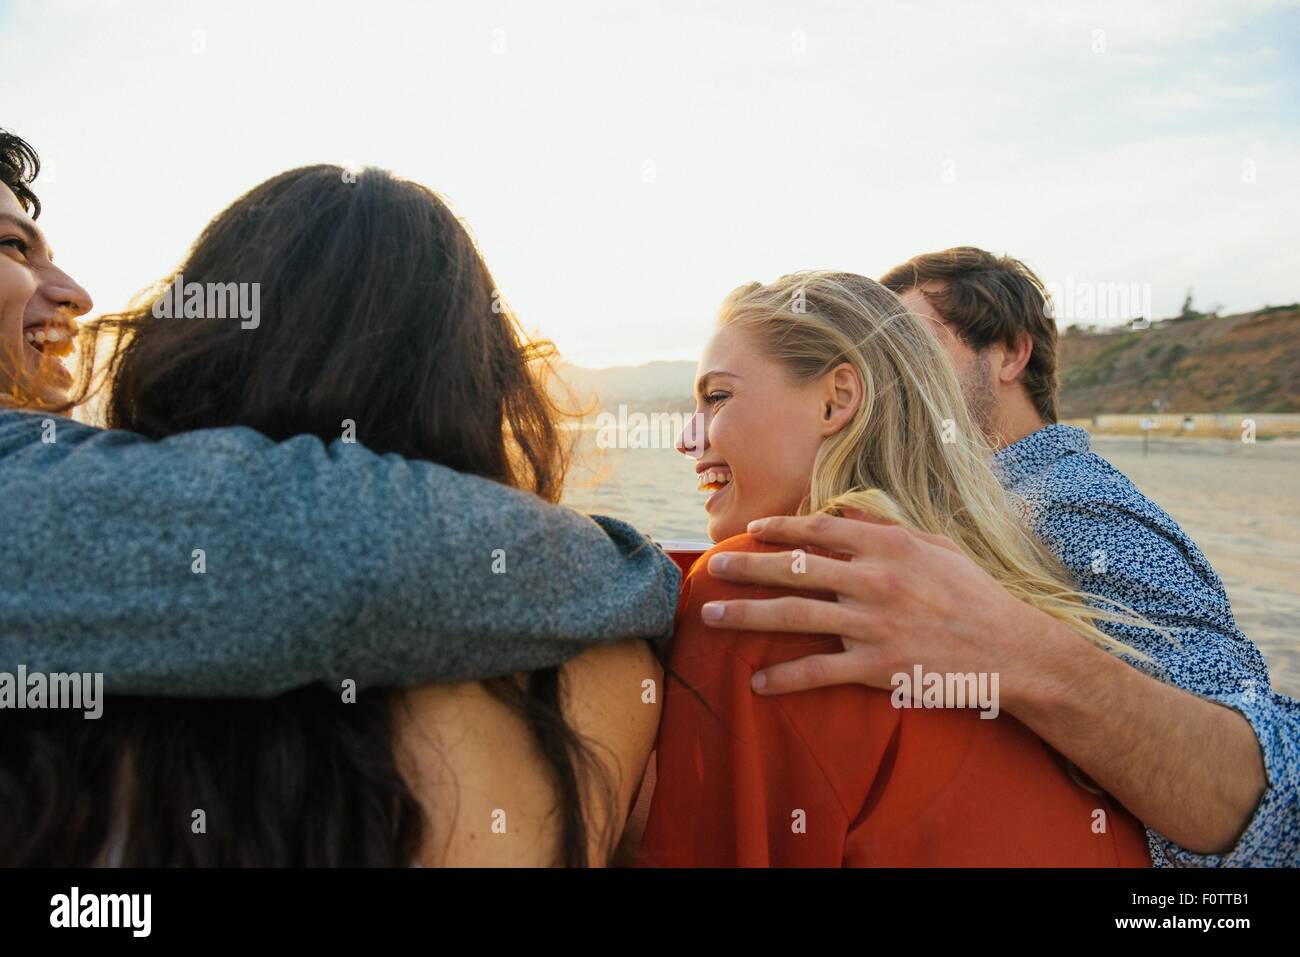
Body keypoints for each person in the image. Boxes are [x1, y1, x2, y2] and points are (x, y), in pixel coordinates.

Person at [0, 160, 663, 866]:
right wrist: (639, 570)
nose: (75, 294)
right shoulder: (612, 674)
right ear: (479, 376)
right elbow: (328, 543)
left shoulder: (79, 680)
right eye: (13, 245)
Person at [702, 247, 1298, 867]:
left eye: (910, 344)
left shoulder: (1078, 512)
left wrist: (1021, 650)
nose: (891, 369)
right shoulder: (933, 513)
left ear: (1011, 354)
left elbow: (1273, 803)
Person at [637, 271, 1152, 866]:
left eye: (717, 397)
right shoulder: (1010, 579)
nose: (686, 437)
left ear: (837, 400)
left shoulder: (764, 588)